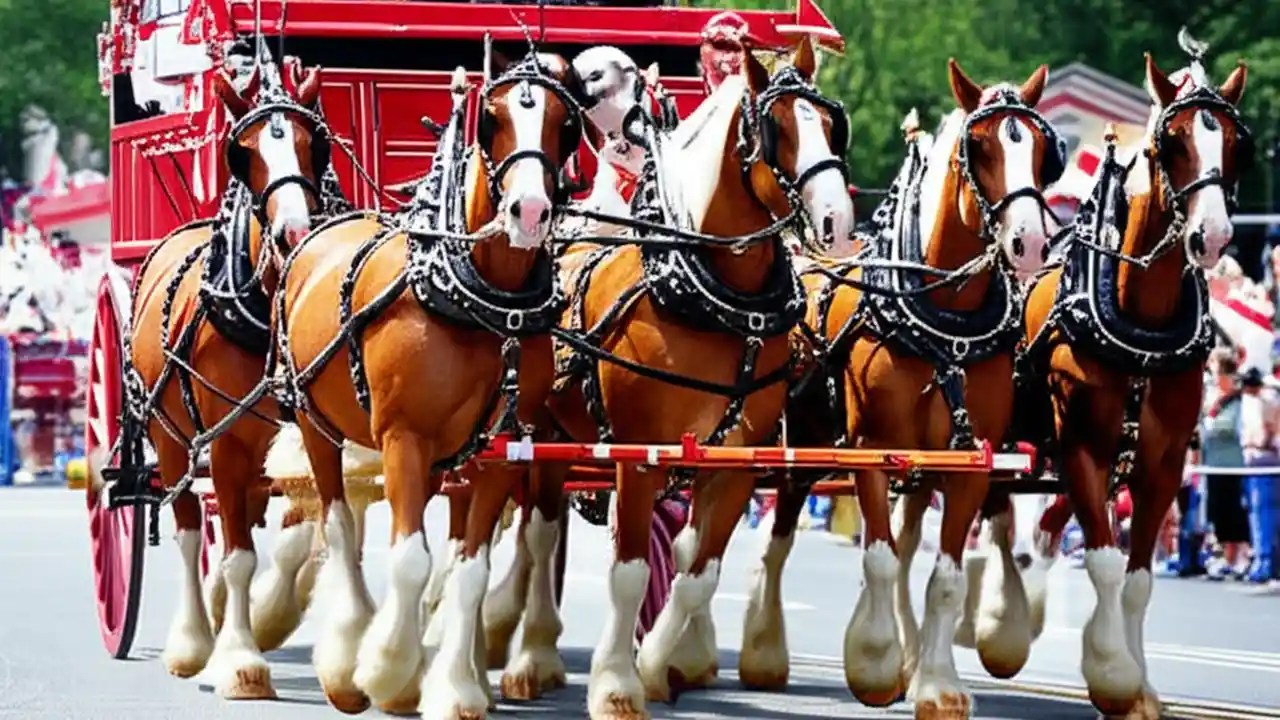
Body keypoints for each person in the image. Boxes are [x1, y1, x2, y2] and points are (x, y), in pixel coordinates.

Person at [1200, 349, 1251, 580]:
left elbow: (1233, 427)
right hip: (1213, 465)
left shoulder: (1237, 400)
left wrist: (1211, 425)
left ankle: (1239, 557)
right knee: (1219, 513)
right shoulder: (1212, 398)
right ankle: (1226, 559)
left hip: (1233, 466)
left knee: (1235, 514)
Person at [1239, 367, 1280, 582]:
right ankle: (1268, 562)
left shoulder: (1267, 401)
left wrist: (1256, 443)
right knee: (1264, 515)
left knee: (1264, 516)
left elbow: (1268, 430)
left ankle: (1265, 563)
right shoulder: (1262, 400)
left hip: (1265, 462)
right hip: (1262, 464)